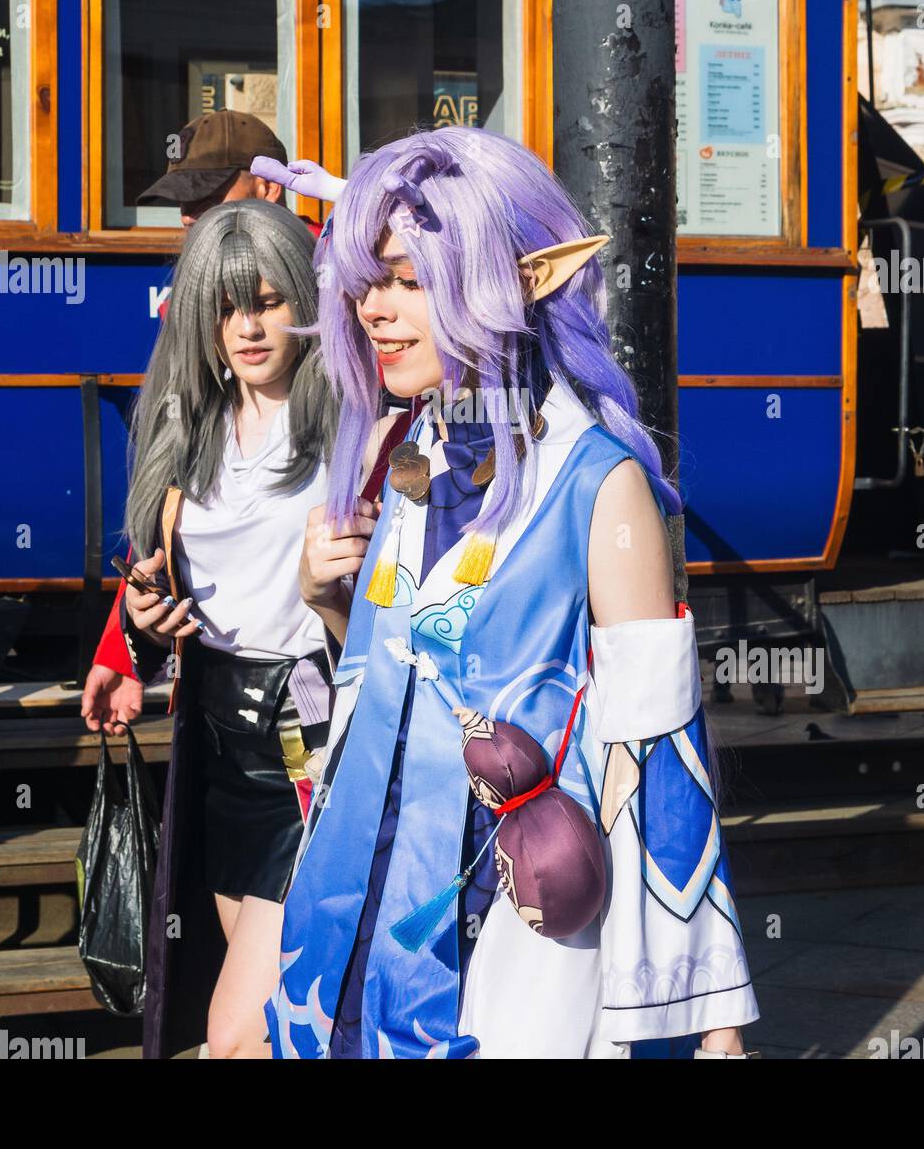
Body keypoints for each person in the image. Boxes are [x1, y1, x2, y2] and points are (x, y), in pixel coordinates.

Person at [268, 127, 760, 1059]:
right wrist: (330, 604)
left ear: (511, 283)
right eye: (369, 282)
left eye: (411, 281)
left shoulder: (598, 482)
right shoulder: (403, 449)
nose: (377, 309)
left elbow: (657, 753)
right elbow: (391, 687)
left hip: (511, 926)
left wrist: (715, 1024)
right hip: (355, 918)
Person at [89, 199, 336, 1060]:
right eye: (229, 308)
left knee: (236, 1038)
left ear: (304, 299)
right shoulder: (185, 426)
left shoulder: (349, 420)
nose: (248, 328)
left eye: (269, 302)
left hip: (309, 737)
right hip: (215, 749)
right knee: (282, 1023)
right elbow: (161, 578)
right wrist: (138, 628)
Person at [80, 112, 293, 737]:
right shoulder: (193, 303)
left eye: (204, 196)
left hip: (321, 708)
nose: (187, 217)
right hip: (216, 703)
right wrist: (126, 643)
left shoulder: (347, 296)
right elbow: (171, 492)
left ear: (268, 188)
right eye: (181, 201)